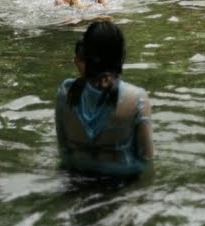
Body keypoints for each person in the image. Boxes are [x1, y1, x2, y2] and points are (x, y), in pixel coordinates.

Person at [55, 20, 153, 176]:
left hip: (75, 183)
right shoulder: (137, 98)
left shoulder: (65, 93)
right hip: (121, 188)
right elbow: (147, 158)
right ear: (120, 55)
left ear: (85, 55)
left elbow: (63, 150)